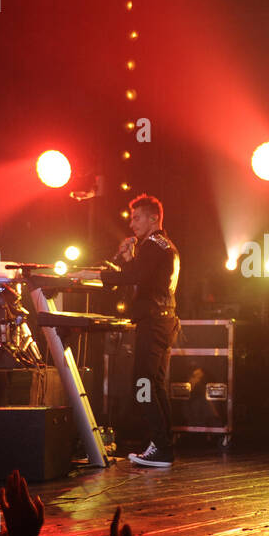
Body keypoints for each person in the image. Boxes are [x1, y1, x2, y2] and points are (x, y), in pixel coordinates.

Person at [76, 195, 180, 467]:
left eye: (136, 218)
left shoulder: (154, 245)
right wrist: (126, 258)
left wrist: (98, 276)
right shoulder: (159, 245)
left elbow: (134, 277)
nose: (131, 224)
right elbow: (138, 273)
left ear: (153, 218)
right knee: (153, 385)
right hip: (161, 321)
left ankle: (160, 445)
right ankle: (163, 444)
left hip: (155, 322)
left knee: (143, 384)